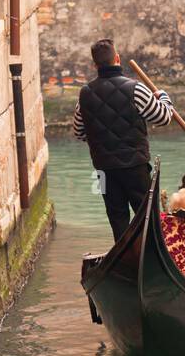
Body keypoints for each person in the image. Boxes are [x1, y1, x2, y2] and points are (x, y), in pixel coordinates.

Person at [73, 39, 173, 242]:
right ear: (117, 59)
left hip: (104, 169)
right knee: (146, 218)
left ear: (95, 65)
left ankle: (126, 261)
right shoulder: (136, 88)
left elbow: (79, 132)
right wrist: (163, 97)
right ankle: (150, 256)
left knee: (117, 218)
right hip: (135, 166)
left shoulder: (85, 94)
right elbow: (163, 117)